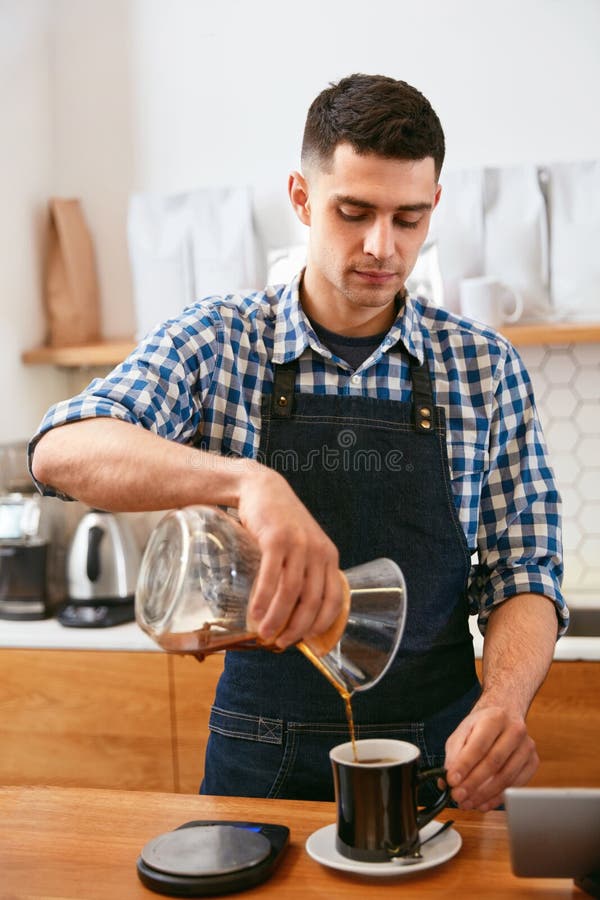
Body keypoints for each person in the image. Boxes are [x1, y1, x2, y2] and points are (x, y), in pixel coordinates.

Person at [29, 73, 567, 811]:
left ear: (434, 206)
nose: (383, 246)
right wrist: (248, 482)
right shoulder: (220, 340)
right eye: (354, 212)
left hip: (444, 758)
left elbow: (524, 572)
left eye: (408, 218)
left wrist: (504, 703)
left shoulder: (483, 368)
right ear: (301, 197)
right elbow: (60, 448)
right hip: (259, 758)